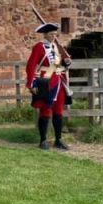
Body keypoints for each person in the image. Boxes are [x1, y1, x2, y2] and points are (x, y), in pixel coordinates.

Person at [26, 22, 72, 150]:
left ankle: (58, 139)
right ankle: (43, 140)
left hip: (58, 82)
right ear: (45, 35)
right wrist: (31, 83)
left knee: (58, 112)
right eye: (51, 34)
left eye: (54, 34)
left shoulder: (56, 47)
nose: (53, 36)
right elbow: (31, 66)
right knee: (45, 111)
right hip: (46, 82)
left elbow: (58, 64)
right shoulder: (39, 47)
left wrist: (66, 63)